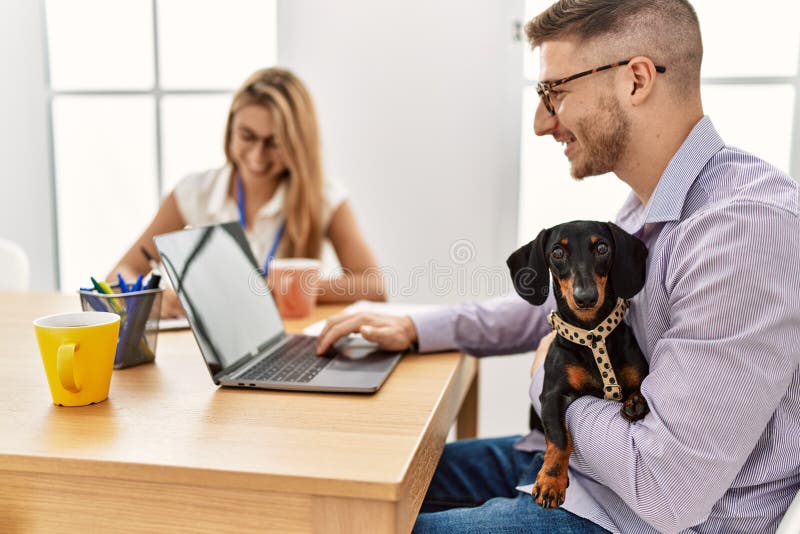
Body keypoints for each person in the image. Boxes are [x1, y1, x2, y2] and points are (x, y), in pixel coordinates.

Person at [315, 1, 800, 532]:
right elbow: (560, 306)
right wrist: (415, 326)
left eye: (555, 91)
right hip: (590, 473)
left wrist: (545, 380)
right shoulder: (648, 208)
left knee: (354, 525)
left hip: (635, 517)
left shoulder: (742, 230)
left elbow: (666, 491)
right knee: (347, 491)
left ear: (636, 80)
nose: (542, 122)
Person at [109, 67, 385, 318]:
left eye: (274, 142)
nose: (257, 156)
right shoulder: (195, 193)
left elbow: (374, 286)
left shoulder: (324, 196)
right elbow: (120, 274)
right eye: (247, 136)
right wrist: (153, 300)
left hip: (288, 343)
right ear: (230, 130)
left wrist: (285, 287)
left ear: (298, 143)